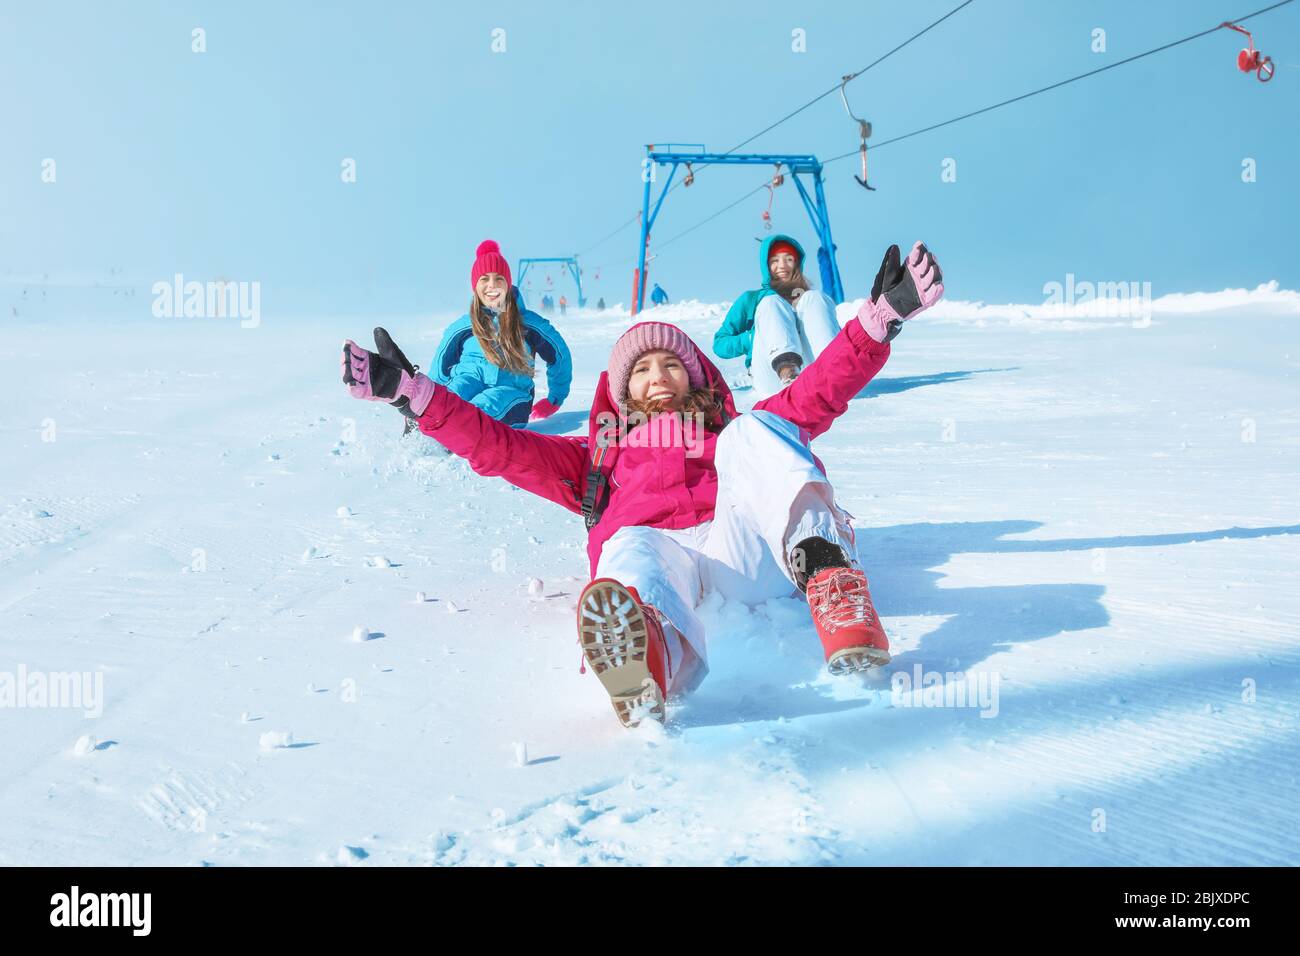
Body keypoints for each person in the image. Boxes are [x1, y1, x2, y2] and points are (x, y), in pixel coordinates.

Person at [341, 241, 944, 728]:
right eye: (642, 369)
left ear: (696, 377)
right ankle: (644, 651)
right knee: (627, 544)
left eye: (672, 364)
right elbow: (499, 447)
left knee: (764, 425)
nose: (658, 375)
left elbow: (818, 391)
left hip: (744, 556)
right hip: (664, 565)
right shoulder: (594, 459)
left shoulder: (726, 434)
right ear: (622, 391)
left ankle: (833, 585)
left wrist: (879, 320)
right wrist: (414, 393)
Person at [430, 240, 572, 427]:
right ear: (475, 286)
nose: (492, 285)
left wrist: (554, 399)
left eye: (499, 279)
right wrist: (430, 401)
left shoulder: (529, 324)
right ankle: (425, 431)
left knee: (480, 410)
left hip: (512, 394)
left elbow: (559, 357)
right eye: (484, 279)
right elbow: (440, 369)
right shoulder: (464, 326)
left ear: (508, 284)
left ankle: (455, 435)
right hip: (468, 380)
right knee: (451, 398)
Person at [713, 234, 845, 400]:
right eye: (775, 260)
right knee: (771, 302)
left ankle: (834, 371)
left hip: (816, 373)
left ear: (797, 264)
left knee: (816, 297)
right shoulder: (752, 299)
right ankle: (788, 372)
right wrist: (751, 338)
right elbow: (719, 344)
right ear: (766, 265)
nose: (782, 265)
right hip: (772, 377)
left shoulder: (808, 300)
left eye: (789, 259)